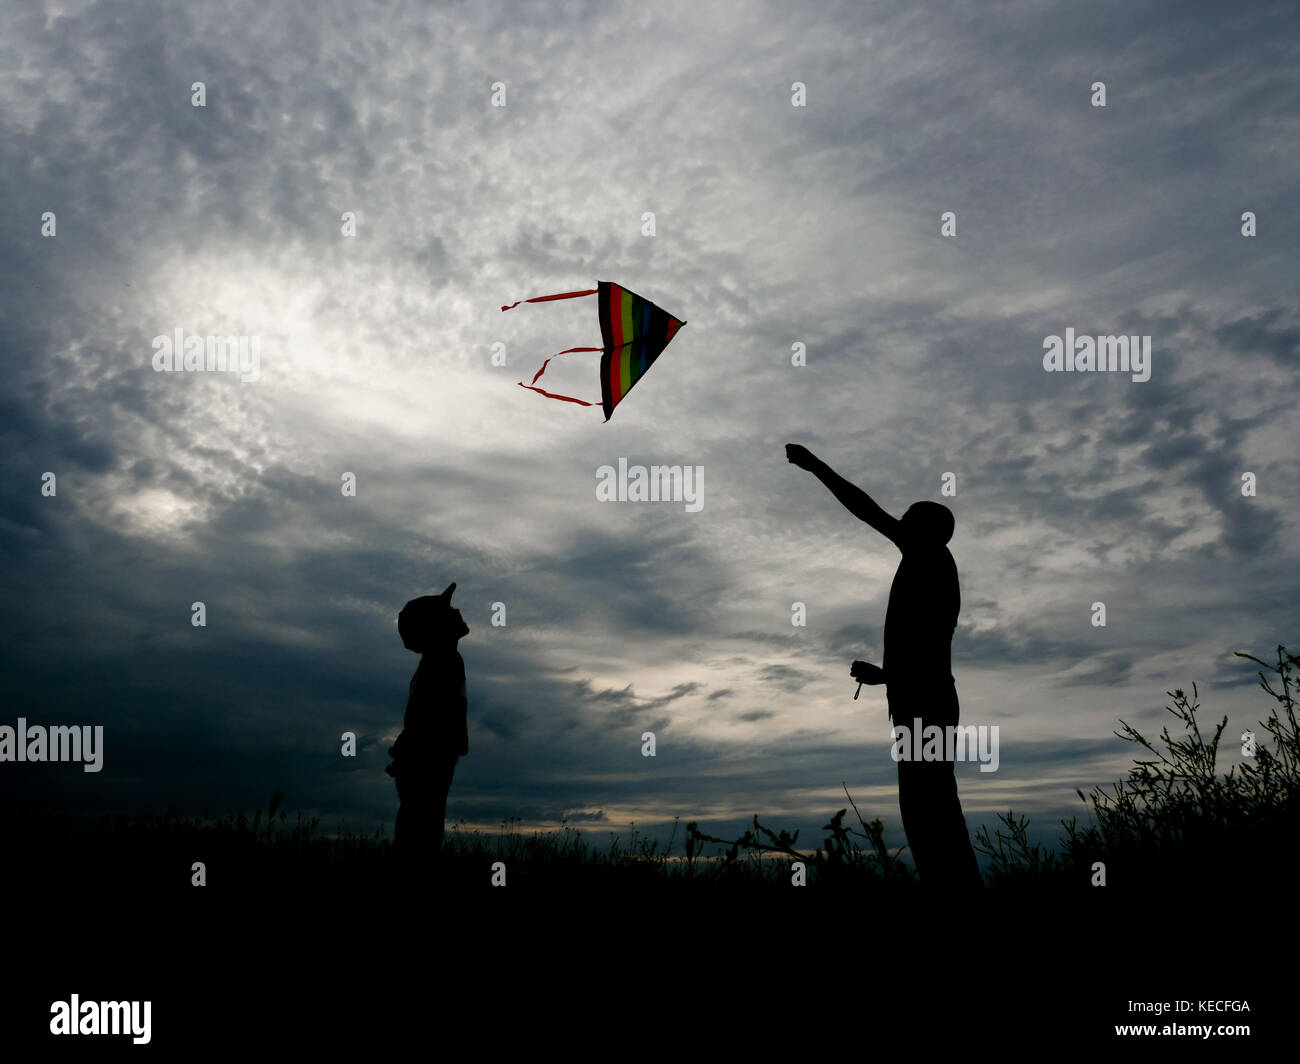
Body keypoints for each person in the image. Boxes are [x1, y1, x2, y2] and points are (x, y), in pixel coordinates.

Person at [785, 443, 982, 893]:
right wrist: (886, 676)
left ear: (929, 530)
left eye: (909, 517)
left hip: (927, 704)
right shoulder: (925, 562)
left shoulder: (930, 561)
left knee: (930, 808)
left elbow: (866, 509)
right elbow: (926, 646)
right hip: (922, 699)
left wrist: (817, 466)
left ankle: (958, 894)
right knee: (928, 807)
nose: (900, 521)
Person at [387, 581, 470, 879]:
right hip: (428, 762)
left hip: (426, 760)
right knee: (421, 836)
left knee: (418, 832)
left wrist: (405, 747)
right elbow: (429, 718)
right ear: (435, 627)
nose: (456, 610)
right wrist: (409, 749)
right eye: (447, 609)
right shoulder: (444, 662)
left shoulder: (441, 662)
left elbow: (424, 717)